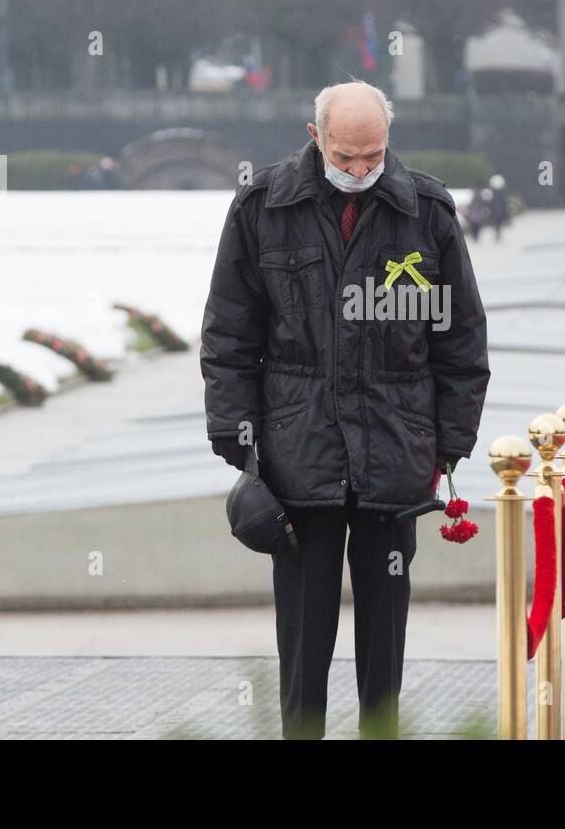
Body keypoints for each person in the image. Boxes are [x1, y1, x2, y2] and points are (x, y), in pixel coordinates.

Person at [200, 81, 490, 740]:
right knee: (304, 637)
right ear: (315, 137)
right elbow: (229, 334)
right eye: (346, 155)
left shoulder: (428, 212)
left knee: (384, 634)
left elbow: (460, 338)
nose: (360, 170)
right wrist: (235, 435)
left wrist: (450, 441)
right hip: (298, 455)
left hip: (395, 453)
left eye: (373, 156)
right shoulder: (262, 207)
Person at [487, 173, 510, 242]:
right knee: (498, 224)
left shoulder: (495, 195)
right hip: (498, 212)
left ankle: (497, 234)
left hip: (496, 212)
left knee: (497, 224)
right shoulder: (500, 195)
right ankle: (498, 234)